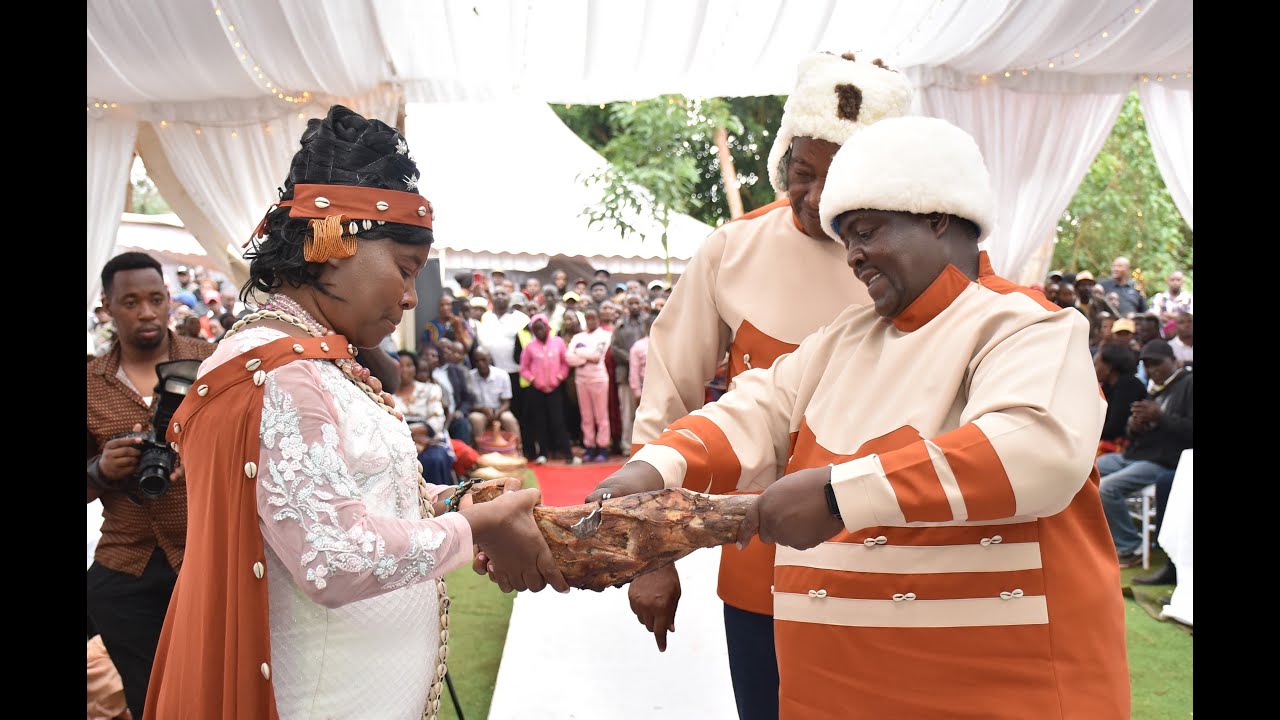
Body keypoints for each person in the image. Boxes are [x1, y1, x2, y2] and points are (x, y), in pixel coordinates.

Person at [584, 116, 1128, 717]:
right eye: (847, 239)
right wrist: (652, 469)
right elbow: (754, 408)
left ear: (938, 216)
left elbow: (1034, 450)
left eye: (866, 232)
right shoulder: (846, 336)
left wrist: (840, 494)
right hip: (828, 693)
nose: (854, 257)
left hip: (991, 690)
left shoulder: (1025, 325)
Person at [143, 105, 566, 720]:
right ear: (332, 242)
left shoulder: (308, 363)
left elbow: (347, 500)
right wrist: (482, 525)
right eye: (404, 270)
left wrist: (457, 501)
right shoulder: (282, 373)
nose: (407, 297)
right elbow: (334, 557)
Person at [623, 51, 904, 718]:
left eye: (836, 179)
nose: (813, 196)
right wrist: (648, 554)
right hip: (763, 559)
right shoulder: (731, 249)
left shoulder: (912, 263)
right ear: (781, 160)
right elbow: (666, 400)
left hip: (890, 557)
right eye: (801, 173)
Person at [87, 251, 217, 719]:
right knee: (151, 702)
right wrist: (102, 469)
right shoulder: (90, 383)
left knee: (218, 694)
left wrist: (200, 459)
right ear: (107, 307)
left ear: (168, 301)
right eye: (131, 302)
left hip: (210, 559)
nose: (146, 312)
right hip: (127, 568)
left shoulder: (215, 362)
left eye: (156, 299)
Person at [1098, 339, 1193, 569]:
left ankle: (1130, 547)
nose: (1152, 370)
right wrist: (1135, 425)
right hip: (1137, 454)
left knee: (1107, 488)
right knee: (1089, 470)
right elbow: (1134, 431)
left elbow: (1189, 430)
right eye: (1147, 365)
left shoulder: (1188, 384)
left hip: (1164, 461)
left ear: (1173, 360)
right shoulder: (1155, 387)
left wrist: (1160, 417)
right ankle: (1107, 538)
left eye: (1157, 363)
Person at [391, 350, 455, 486]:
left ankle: (439, 503)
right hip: (400, 440)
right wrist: (410, 437)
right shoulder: (388, 395)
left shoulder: (430, 389)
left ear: (415, 368)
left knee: (435, 459)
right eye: (400, 366)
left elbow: (437, 419)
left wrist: (417, 434)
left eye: (409, 365)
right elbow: (388, 424)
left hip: (430, 438)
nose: (404, 370)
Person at [518, 313, 573, 464]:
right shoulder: (530, 347)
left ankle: (567, 453)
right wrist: (533, 380)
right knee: (539, 421)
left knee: (558, 421)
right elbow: (524, 369)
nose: (539, 331)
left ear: (547, 328)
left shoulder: (558, 342)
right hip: (537, 389)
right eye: (535, 329)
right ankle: (543, 453)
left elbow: (564, 363)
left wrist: (560, 377)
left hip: (555, 388)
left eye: (541, 328)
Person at [566, 308, 613, 462]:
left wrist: (580, 353)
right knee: (586, 416)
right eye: (588, 318)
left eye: (593, 318)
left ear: (598, 319)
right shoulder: (578, 336)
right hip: (581, 380)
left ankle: (603, 447)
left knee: (601, 415)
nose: (591, 321)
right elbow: (568, 358)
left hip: (598, 379)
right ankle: (590, 446)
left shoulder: (605, 335)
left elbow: (597, 356)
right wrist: (586, 357)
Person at [1094, 342, 1146, 457]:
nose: (1093, 370)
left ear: (1109, 367)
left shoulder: (1129, 385)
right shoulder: (1107, 386)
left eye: (1095, 365)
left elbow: (1115, 427)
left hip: (1126, 447)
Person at [469, 347, 521, 442]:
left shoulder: (502, 375)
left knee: (509, 419)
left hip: (499, 410)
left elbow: (506, 402)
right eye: (477, 361)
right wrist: (482, 409)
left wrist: (498, 412)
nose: (480, 364)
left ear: (490, 359)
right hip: (480, 411)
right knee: (475, 419)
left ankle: (517, 448)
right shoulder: (470, 377)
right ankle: (481, 450)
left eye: (483, 360)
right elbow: (468, 403)